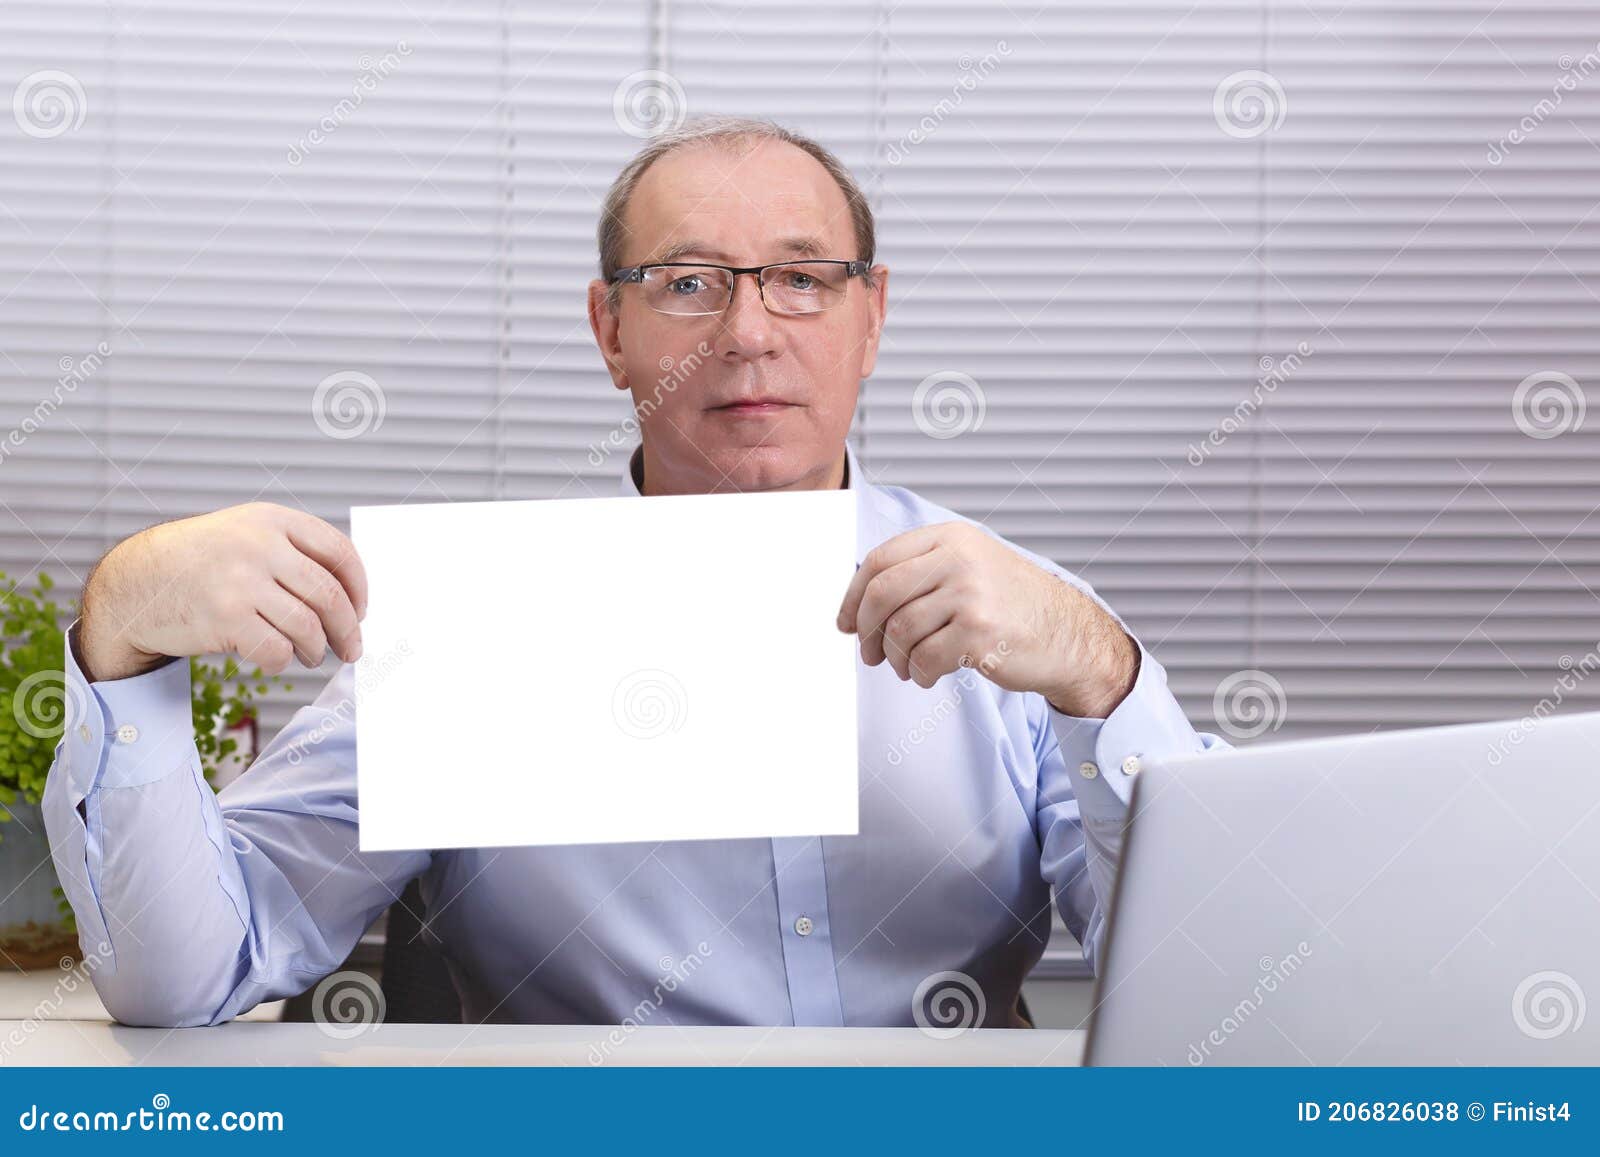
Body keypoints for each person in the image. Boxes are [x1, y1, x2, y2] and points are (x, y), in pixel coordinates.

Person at [42, 116, 1225, 1029]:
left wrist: (1099, 671)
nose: (751, 332)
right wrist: (125, 640)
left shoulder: (1022, 620)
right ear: (612, 332)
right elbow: (187, 978)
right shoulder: (477, 628)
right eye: (688, 282)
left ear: (872, 319)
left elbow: (1220, 998)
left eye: (803, 277)